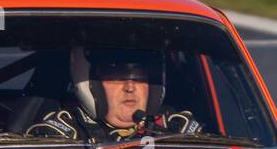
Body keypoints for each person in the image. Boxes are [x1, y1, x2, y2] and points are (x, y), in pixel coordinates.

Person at [26, 47, 202, 141]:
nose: (130, 88)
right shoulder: (61, 134)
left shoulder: (177, 129)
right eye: (116, 78)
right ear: (91, 86)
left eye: (140, 78)